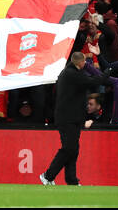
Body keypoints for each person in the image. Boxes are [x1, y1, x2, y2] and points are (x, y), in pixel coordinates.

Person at [40, 51, 105, 185]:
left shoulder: (69, 73)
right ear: (81, 62)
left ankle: (71, 180)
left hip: (71, 117)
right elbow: (95, 80)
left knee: (73, 149)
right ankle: (48, 175)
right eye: (85, 63)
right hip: (67, 118)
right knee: (69, 148)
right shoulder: (72, 74)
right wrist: (107, 72)